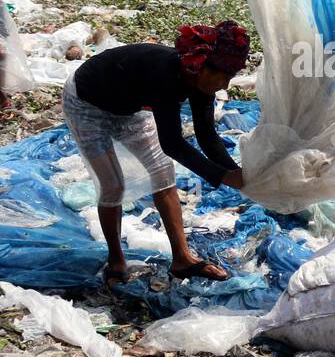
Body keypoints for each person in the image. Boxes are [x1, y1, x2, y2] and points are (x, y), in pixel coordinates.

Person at [63, 22, 250, 286]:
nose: (224, 85)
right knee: (113, 185)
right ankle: (116, 259)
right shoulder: (165, 74)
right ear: (202, 66)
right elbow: (172, 143)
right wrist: (221, 177)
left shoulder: (200, 83)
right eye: (223, 76)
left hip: (129, 107)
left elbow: (207, 137)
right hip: (87, 105)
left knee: (164, 175)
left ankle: (182, 259)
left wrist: (235, 172)